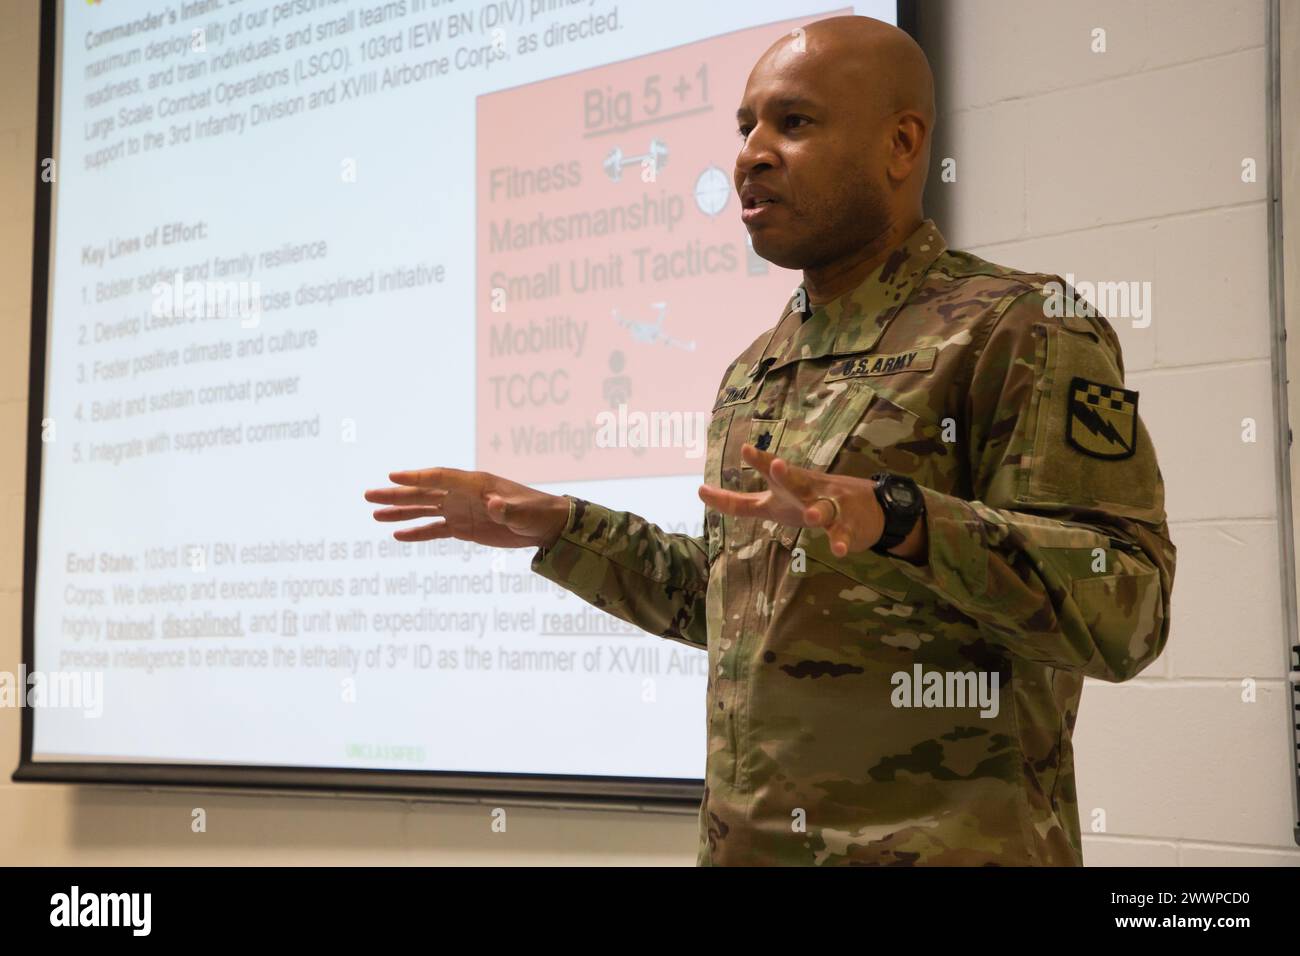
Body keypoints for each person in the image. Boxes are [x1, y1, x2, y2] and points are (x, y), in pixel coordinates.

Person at [365, 15, 1175, 866]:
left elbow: (1128, 606)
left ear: (902, 146)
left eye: (793, 123)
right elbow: (726, 605)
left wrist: (904, 520)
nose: (750, 153)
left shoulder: (1020, 328)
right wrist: (563, 525)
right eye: (744, 126)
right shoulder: (758, 368)